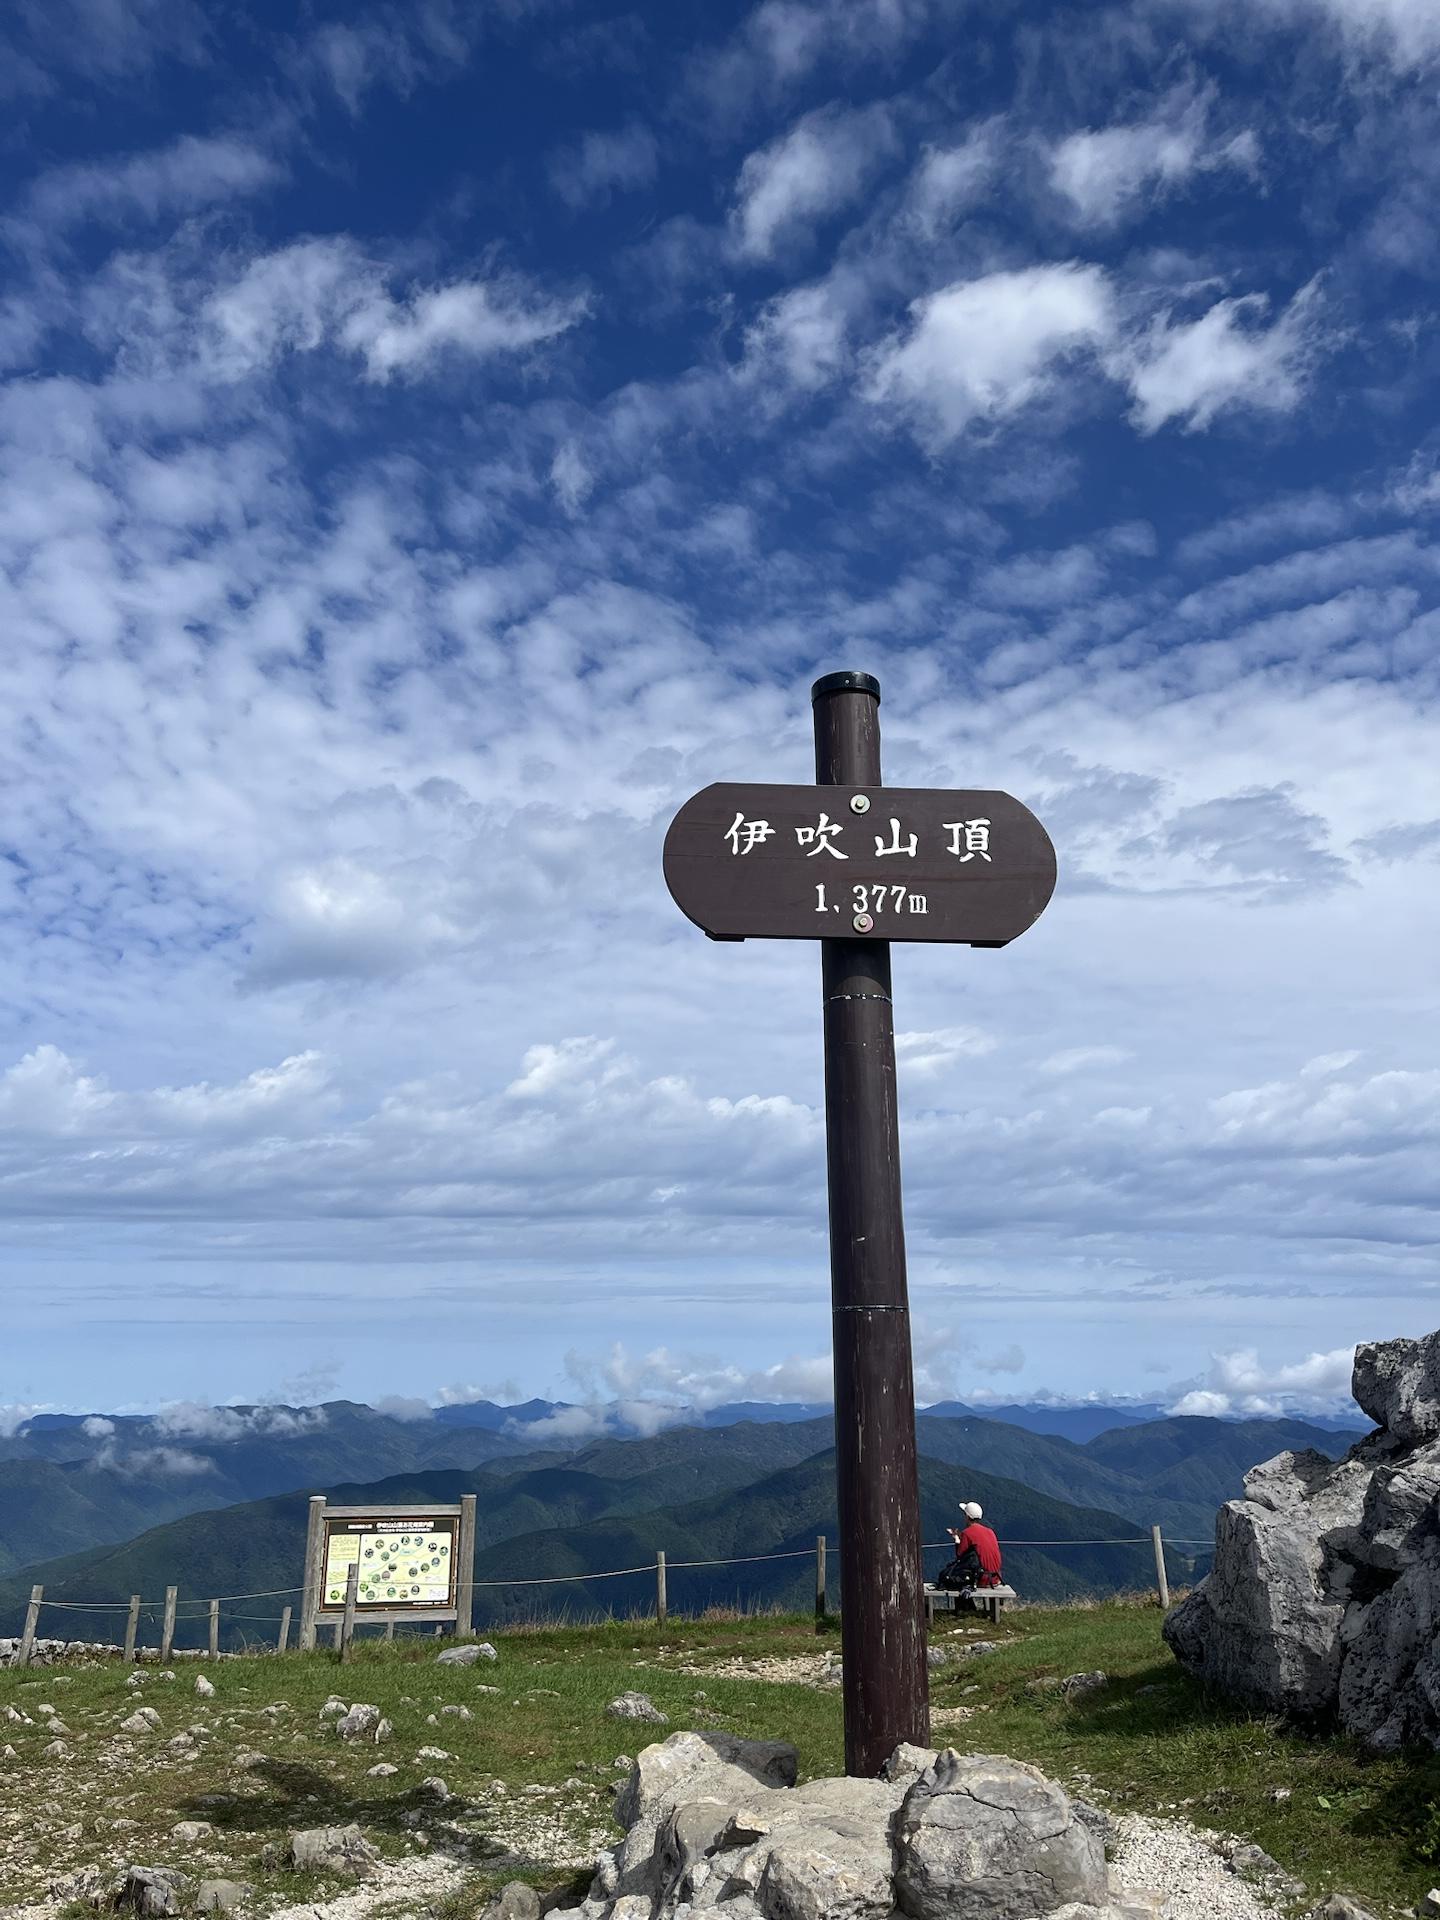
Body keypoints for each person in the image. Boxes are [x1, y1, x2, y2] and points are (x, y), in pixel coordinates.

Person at [946, 1500, 1003, 1589]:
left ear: (967, 1516)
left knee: (956, 1582)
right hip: (996, 1577)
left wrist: (956, 1539)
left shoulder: (967, 1533)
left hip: (982, 1578)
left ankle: (966, 1603)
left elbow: (960, 1555)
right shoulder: (990, 1531)